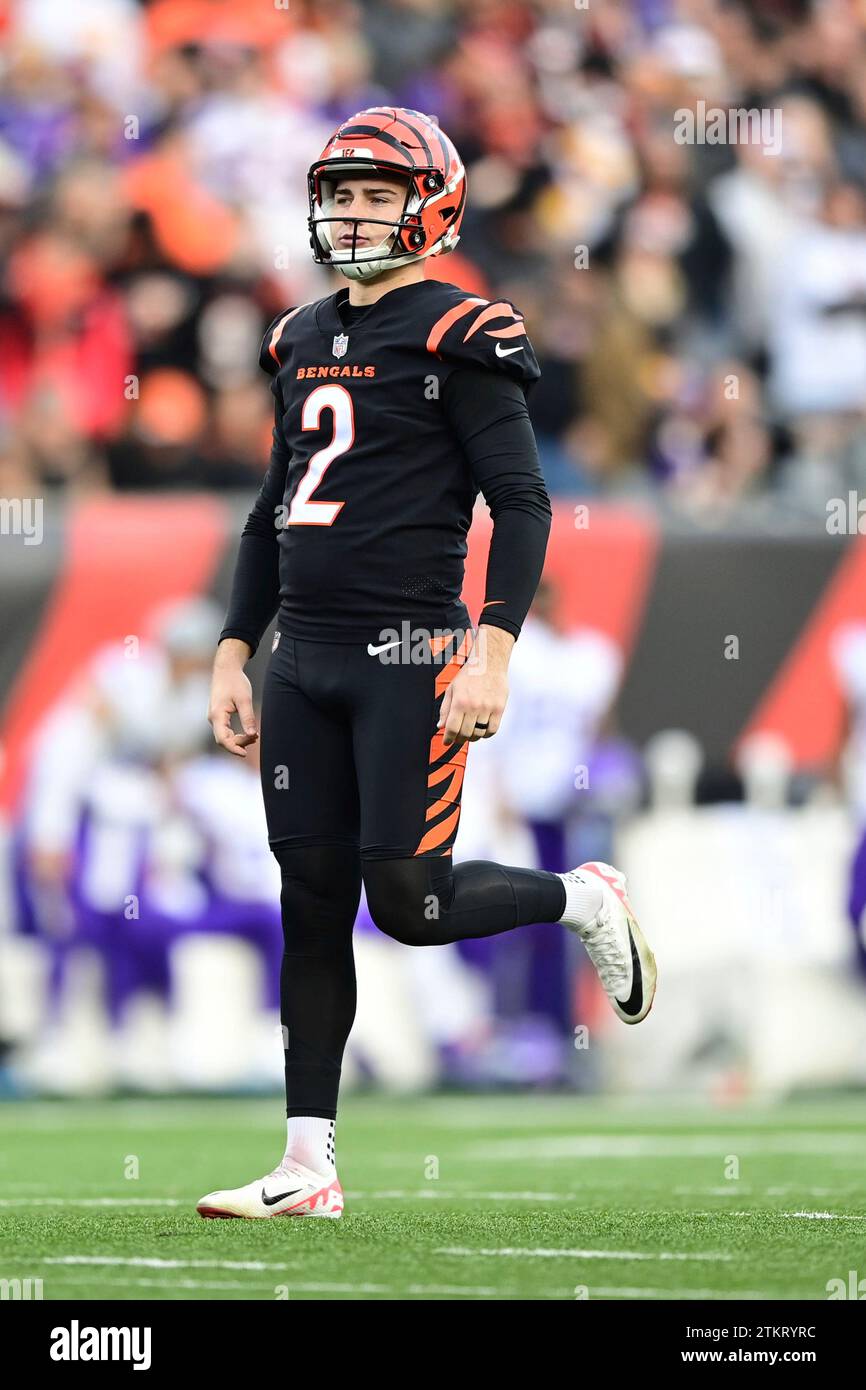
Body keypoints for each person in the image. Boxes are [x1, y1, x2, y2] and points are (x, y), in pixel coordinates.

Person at [198, 107, 657, 1221]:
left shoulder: (464, 330)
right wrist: (230, 650)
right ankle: (308, 1165)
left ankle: (577, 897)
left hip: (410, 651)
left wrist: (492, 650)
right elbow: (270, 515)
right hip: (302, 653)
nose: (352, 214)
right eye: (339, 194)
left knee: (404, 904)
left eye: (374, 194)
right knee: (309, 899)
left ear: (430, 204)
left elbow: (521, 500)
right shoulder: (298, 332)